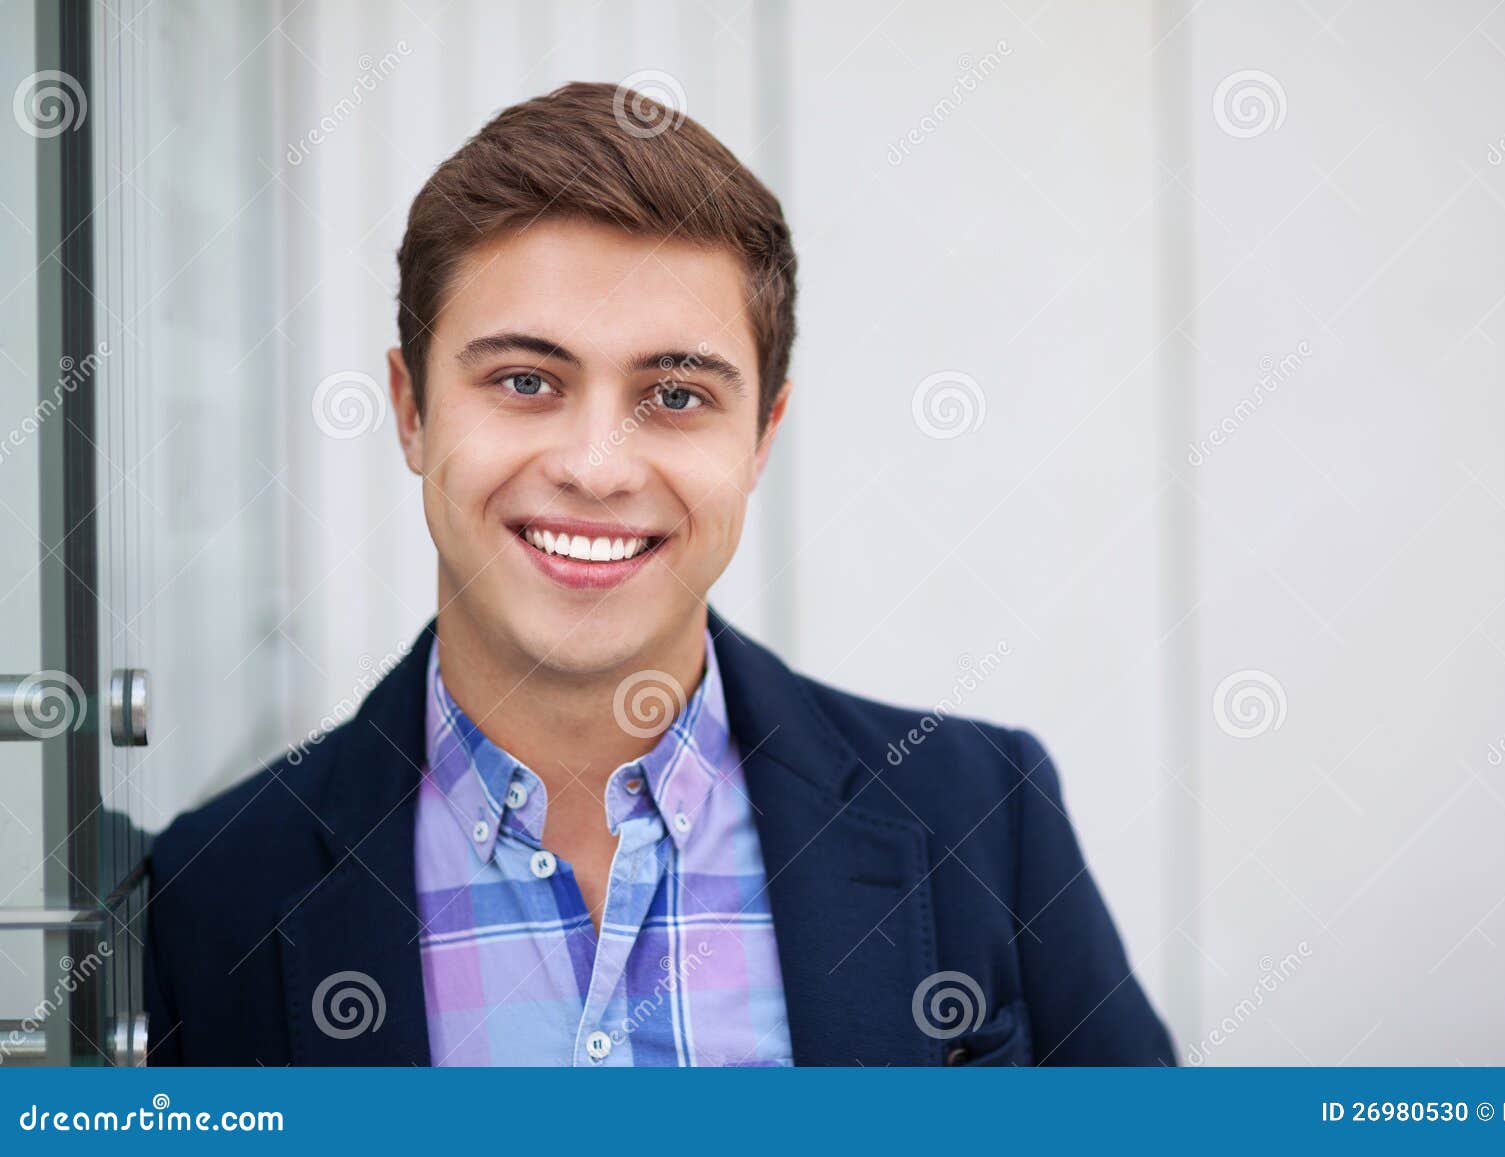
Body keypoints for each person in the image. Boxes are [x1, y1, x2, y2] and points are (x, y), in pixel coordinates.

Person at [142, 81, 1174, 1067]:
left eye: (675, 395)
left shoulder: (984, 819)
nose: (596, 466)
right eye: (525, 380)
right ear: (412, 410)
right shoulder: (217, 886)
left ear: (762, 434)